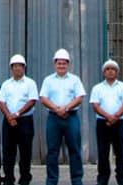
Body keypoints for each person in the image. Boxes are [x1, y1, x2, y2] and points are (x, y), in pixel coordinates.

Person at [39, 48, 86, 185]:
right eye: (59, 63)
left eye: (64, 63)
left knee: (74, 150)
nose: (61, 66)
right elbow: (43, 98)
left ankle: (77, 180)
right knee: (52, 151)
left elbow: (79, 97)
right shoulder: (48, 80)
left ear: (68, 64)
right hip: (54, 118)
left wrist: (66, 108)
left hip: (71, 118)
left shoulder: (75, 80)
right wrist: (56, 109)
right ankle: (52, 180)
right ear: (55, 64)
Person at [0, 54, 39, 185]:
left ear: (24, 68)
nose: (17, 69)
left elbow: (32, 101)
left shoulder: (30, 83)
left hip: (24, 122)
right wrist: (9, 116)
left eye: (20, 66)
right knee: (8, 152)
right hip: (8, 121)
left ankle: (25, 178)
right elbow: (0, 101)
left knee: (25, 152)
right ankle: (9, 178)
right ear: (11, 68)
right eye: (15, 66)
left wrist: (17, 114)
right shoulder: (6, 84)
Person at [90, 59, 123, 185]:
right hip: (103, 123)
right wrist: (108, 117)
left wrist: (115, 117)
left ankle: (122, 179)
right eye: (107, 69)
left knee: (120, 152)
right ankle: (103, 178)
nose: (110, 71)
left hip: (119, 123)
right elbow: (95, 106)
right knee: (103, 152)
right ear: (104, 72)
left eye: (113, 69)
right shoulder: (97, 88)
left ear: (117, 72)